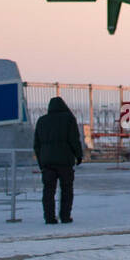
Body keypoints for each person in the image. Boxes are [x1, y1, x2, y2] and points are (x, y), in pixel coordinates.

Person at [34, 96, 83, 224]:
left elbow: (37, 145)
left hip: (47, 163)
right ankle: (65, 216)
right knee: (66, 189)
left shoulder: (41, 121)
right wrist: (78, 155)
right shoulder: (68, 119)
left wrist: (41, 162)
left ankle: (49, 217)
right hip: (65, 161)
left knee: (48, 191)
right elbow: (74, 140)